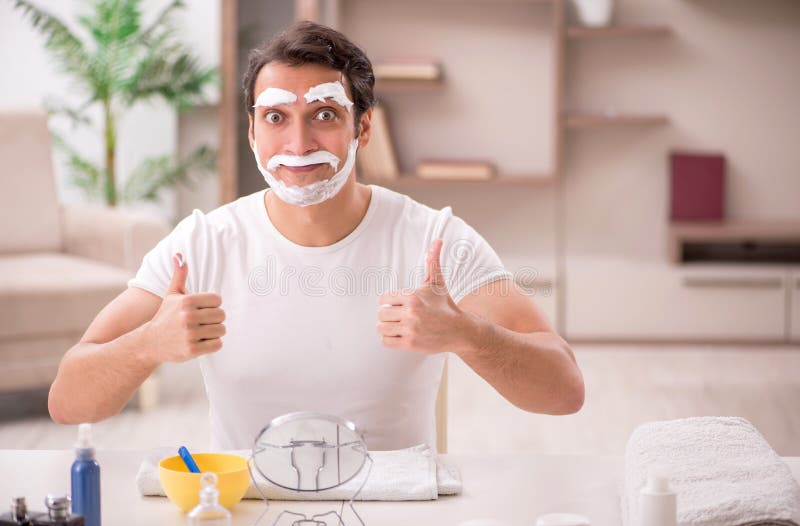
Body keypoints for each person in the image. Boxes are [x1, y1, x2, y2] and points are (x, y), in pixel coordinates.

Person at [48, 21, 584, 452]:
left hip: (393, 514)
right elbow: (68, 401)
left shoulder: (437, 241)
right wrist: (148, 344)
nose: (298, 143)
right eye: (277, 117)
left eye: (324, 114)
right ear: (253, 130)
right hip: (247, 513)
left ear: (363, 127)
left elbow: (564, 390)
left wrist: (467, 333)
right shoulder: (201, 244)